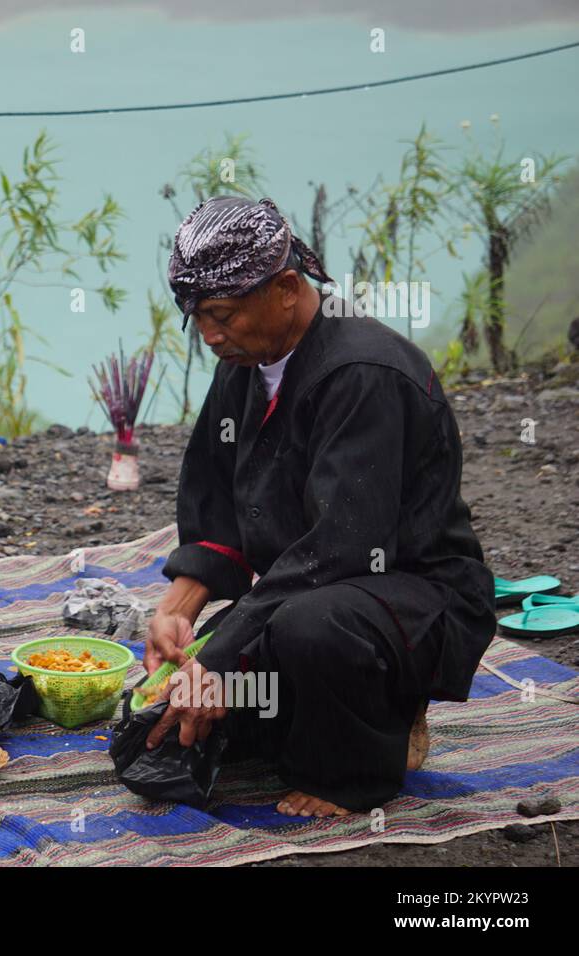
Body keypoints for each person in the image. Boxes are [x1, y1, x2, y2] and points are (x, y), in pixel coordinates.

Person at [144, 196, 496, 818]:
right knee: (189, 717)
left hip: (410, 592)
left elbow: (341, 547)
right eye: (198, 318)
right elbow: (216, 497)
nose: (210, 335)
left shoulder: (365, 371)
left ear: (285, 288)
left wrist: (222, 656)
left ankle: (360, 770)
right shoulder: (245, 360)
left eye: (221, 315)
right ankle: (346, 709)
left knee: (302, 632)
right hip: (306, 589)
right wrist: (180, 607)